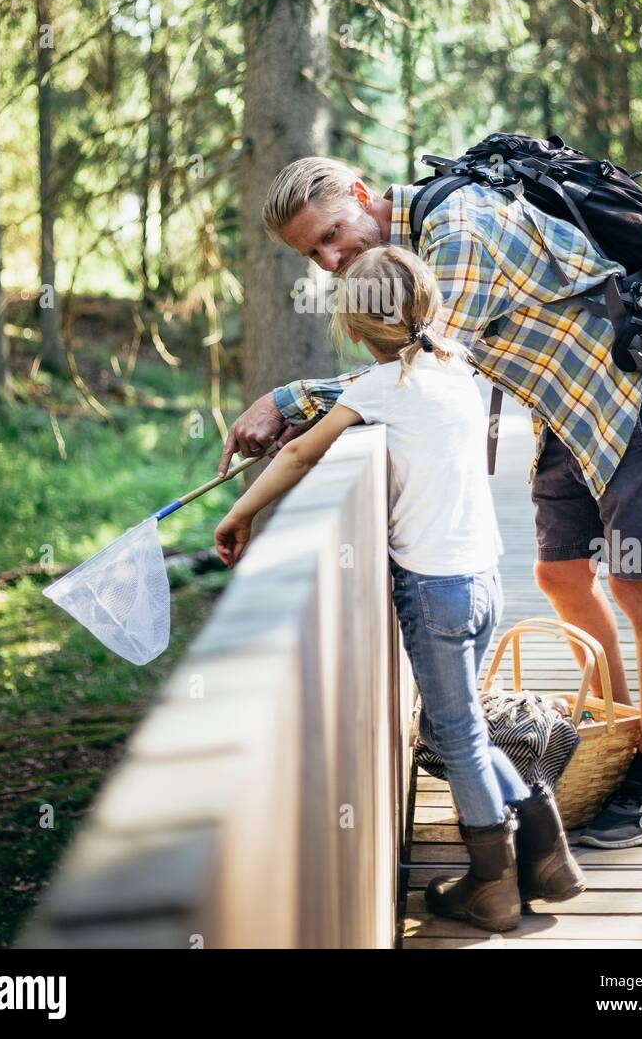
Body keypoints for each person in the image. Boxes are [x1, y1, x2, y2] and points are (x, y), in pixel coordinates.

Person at [219, 156, 642, 849]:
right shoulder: (407, 249)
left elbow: (432, 362)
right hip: (566, 408)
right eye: (312, 253)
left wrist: (290, 400)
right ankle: (616, 737)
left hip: (633, 387)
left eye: (331, 232)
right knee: (560, 575)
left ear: (360, 192)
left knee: (639, 586)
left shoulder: (458, 227)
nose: (331, 256)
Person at [214, 244, 586, 933]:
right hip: (484, 579)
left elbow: (300, 450)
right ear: (428, 306)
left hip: (436, 591)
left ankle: (492, 884)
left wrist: (241, 512)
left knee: (459, 736)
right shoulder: (457, 370)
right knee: (464, 728)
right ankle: (545, 853)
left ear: (352, 329)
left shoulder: (378, 388)